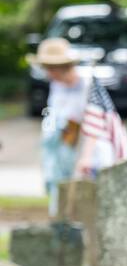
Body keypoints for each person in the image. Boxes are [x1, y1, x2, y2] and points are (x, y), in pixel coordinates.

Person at [28, 38, 108, 216]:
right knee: (62, 197)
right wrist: (47, 136)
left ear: (62, 67)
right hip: (64, 148)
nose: (48, 73)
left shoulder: (87, 84)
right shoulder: (56, 85)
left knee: (87, 200)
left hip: (88, 150)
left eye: (50, 68)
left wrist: (86, 157)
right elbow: (50, 112)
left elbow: (95, 123)